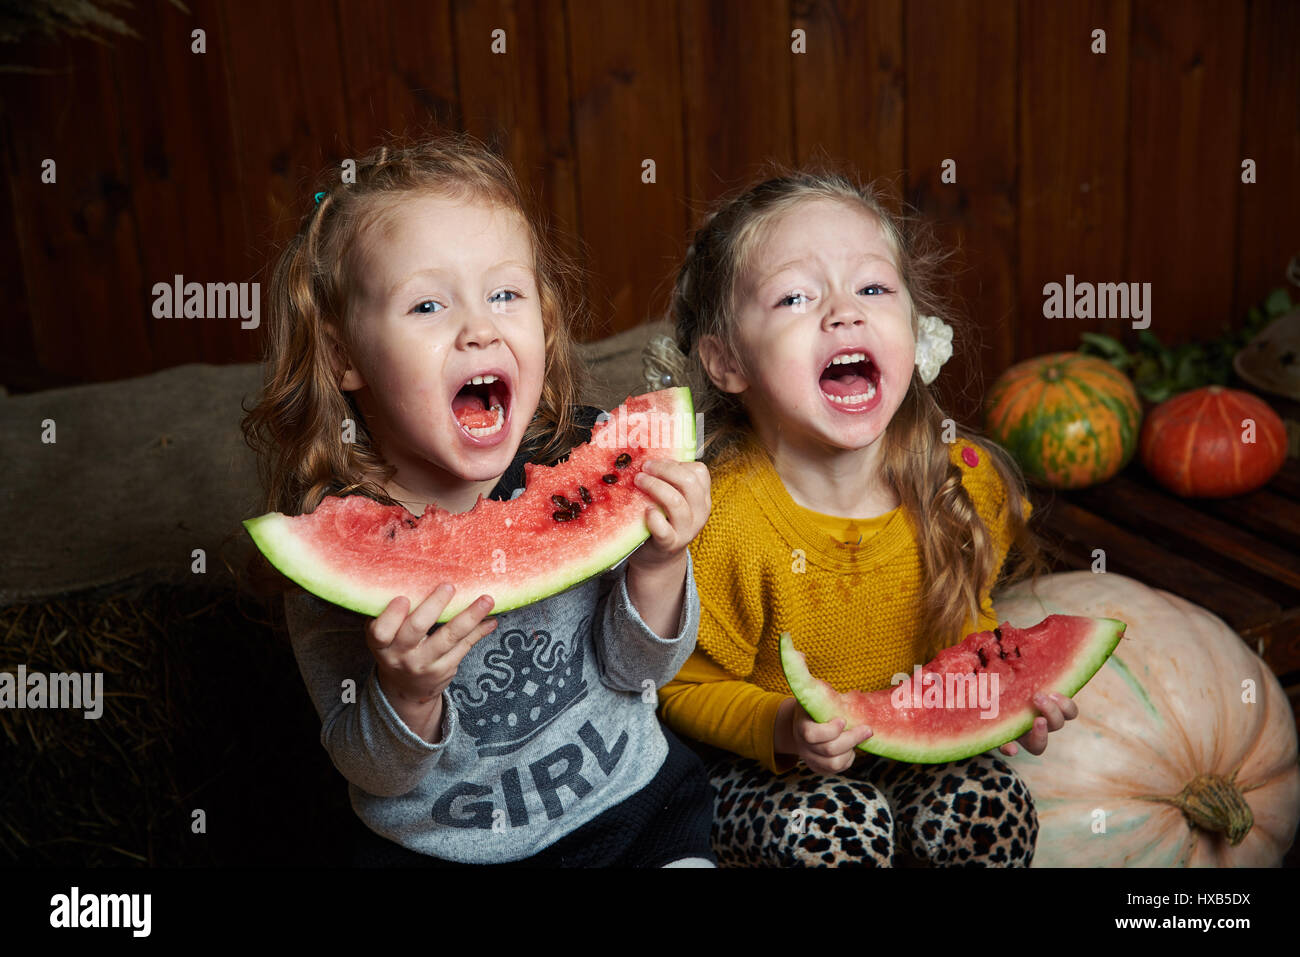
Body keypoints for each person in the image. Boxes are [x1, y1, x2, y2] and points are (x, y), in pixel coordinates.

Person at [242, 134, 715, 867]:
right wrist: (405, 692)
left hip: (630, 811)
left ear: (545, 318)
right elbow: (370, 767)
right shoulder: (326, 559)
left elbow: (639, 673)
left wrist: (660, 563)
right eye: (427, 304)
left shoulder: (580, 457)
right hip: (447, 853)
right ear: (341, 356)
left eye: (505, 293)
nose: (479, 327)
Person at [648, 166, 1065, 867]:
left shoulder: (960, 481)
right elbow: (681, 689)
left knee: (991, 807)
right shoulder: (725, 517)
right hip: (761, 767)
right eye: (794, 297)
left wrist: (1007, 691)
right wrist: (783, 725)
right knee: (838, 822)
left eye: (873, 288)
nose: (844, 312)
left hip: (915, 747)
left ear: (916, 327)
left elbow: (968, 627)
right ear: (726, 361)